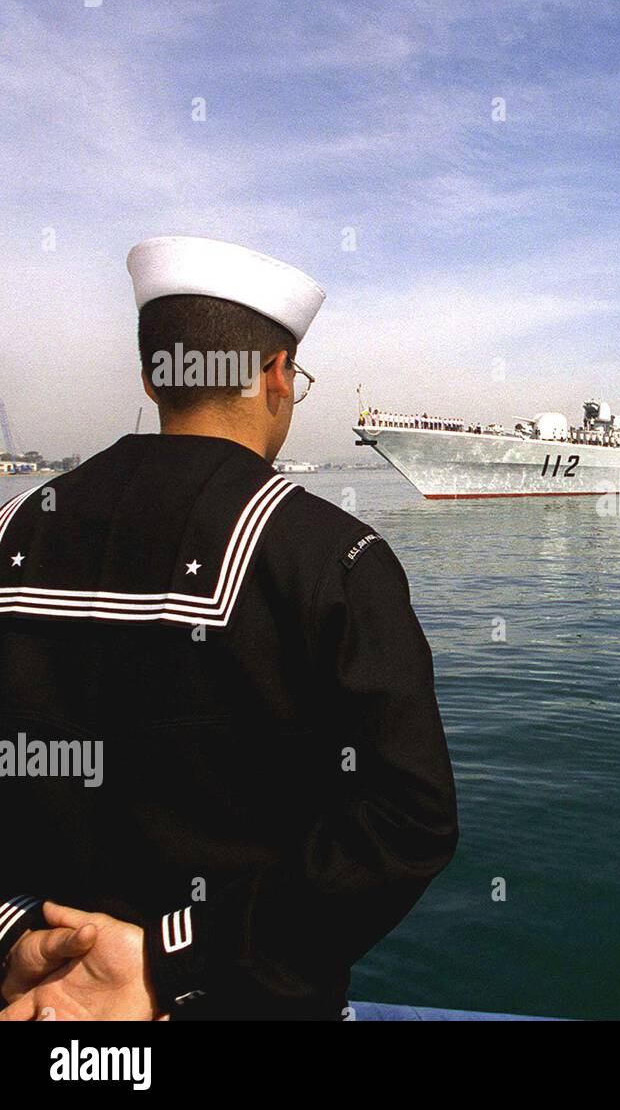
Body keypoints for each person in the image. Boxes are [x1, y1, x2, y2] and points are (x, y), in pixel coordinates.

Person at [0, 236, 458, 1020]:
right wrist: (169, 959)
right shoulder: (330, 554)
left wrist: (14, 937)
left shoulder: (10, 531)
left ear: (153, 376)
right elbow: (406, 819)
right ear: (278, 374)